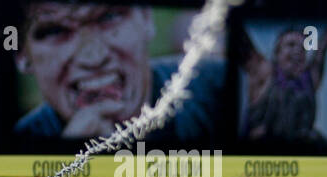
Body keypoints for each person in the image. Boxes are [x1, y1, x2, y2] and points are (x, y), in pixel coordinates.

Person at [13, 2, 224, 140]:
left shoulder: (222, 88)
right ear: (23, 56)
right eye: (55, 31)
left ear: (146, 19)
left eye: (109, 17)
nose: (93, 58)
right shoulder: (15, 140)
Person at [238, 24, 327, 141]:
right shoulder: (264, 72)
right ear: (277, 53)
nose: (297, 51)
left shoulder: (310, 78)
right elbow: (241, 39)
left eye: (302, 48)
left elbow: (324, 44)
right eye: (291, 45)